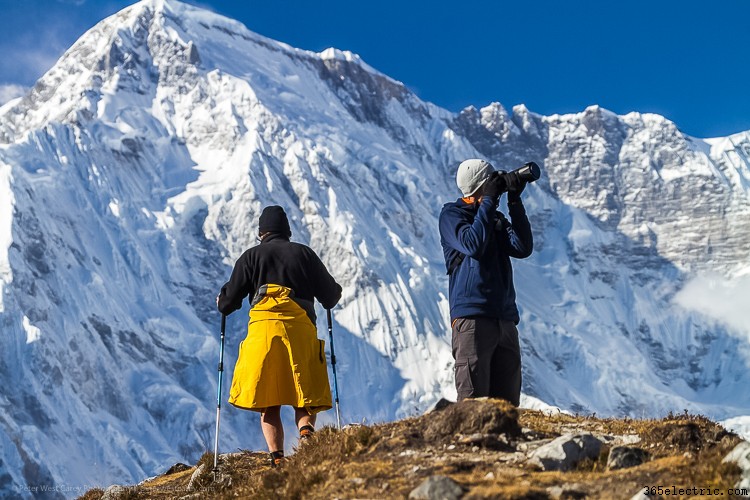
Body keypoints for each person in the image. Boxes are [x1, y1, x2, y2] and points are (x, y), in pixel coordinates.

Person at [216, 205, 342, 466]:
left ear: (261, 232)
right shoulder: (304, 254)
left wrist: (222, 297)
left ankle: (278, 460)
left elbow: (227, 304)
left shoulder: (250, 257)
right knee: (304, 396)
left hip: (264, 335)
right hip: (300, 331)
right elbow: (331, 296)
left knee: (268, 402)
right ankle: (306, 436)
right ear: (287, 231)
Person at [438, 159, 534, 406]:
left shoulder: (493, 217)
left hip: (504, 318)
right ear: (479, 186)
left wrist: (514, 201)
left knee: (507, 405)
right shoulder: (452, 215)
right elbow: (473, 245)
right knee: (473, 404)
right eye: (490, 183)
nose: (496, 189)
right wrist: (489, 201)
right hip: (472, 320)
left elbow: (522, 247)